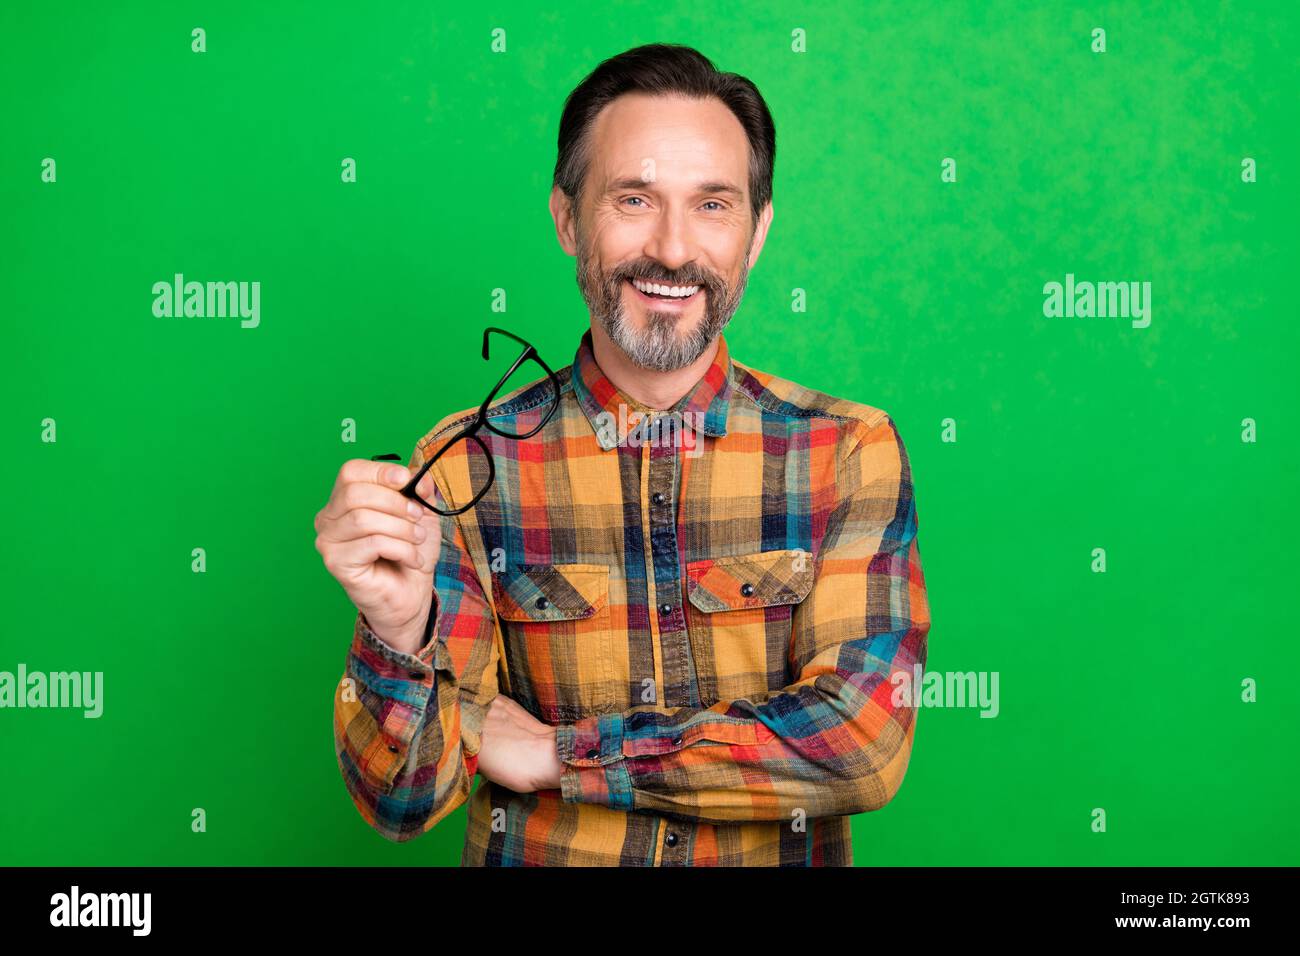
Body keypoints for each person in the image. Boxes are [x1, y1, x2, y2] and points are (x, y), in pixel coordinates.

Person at [315, 42, 930, 866]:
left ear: (757, 230)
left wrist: (557, 756)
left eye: (712, 205)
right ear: (568, 219)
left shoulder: (846, 453)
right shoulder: (463, 468)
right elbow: (402, 801)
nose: (674, 251)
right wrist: (400, 629)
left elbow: (859, 742)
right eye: (634, 199)